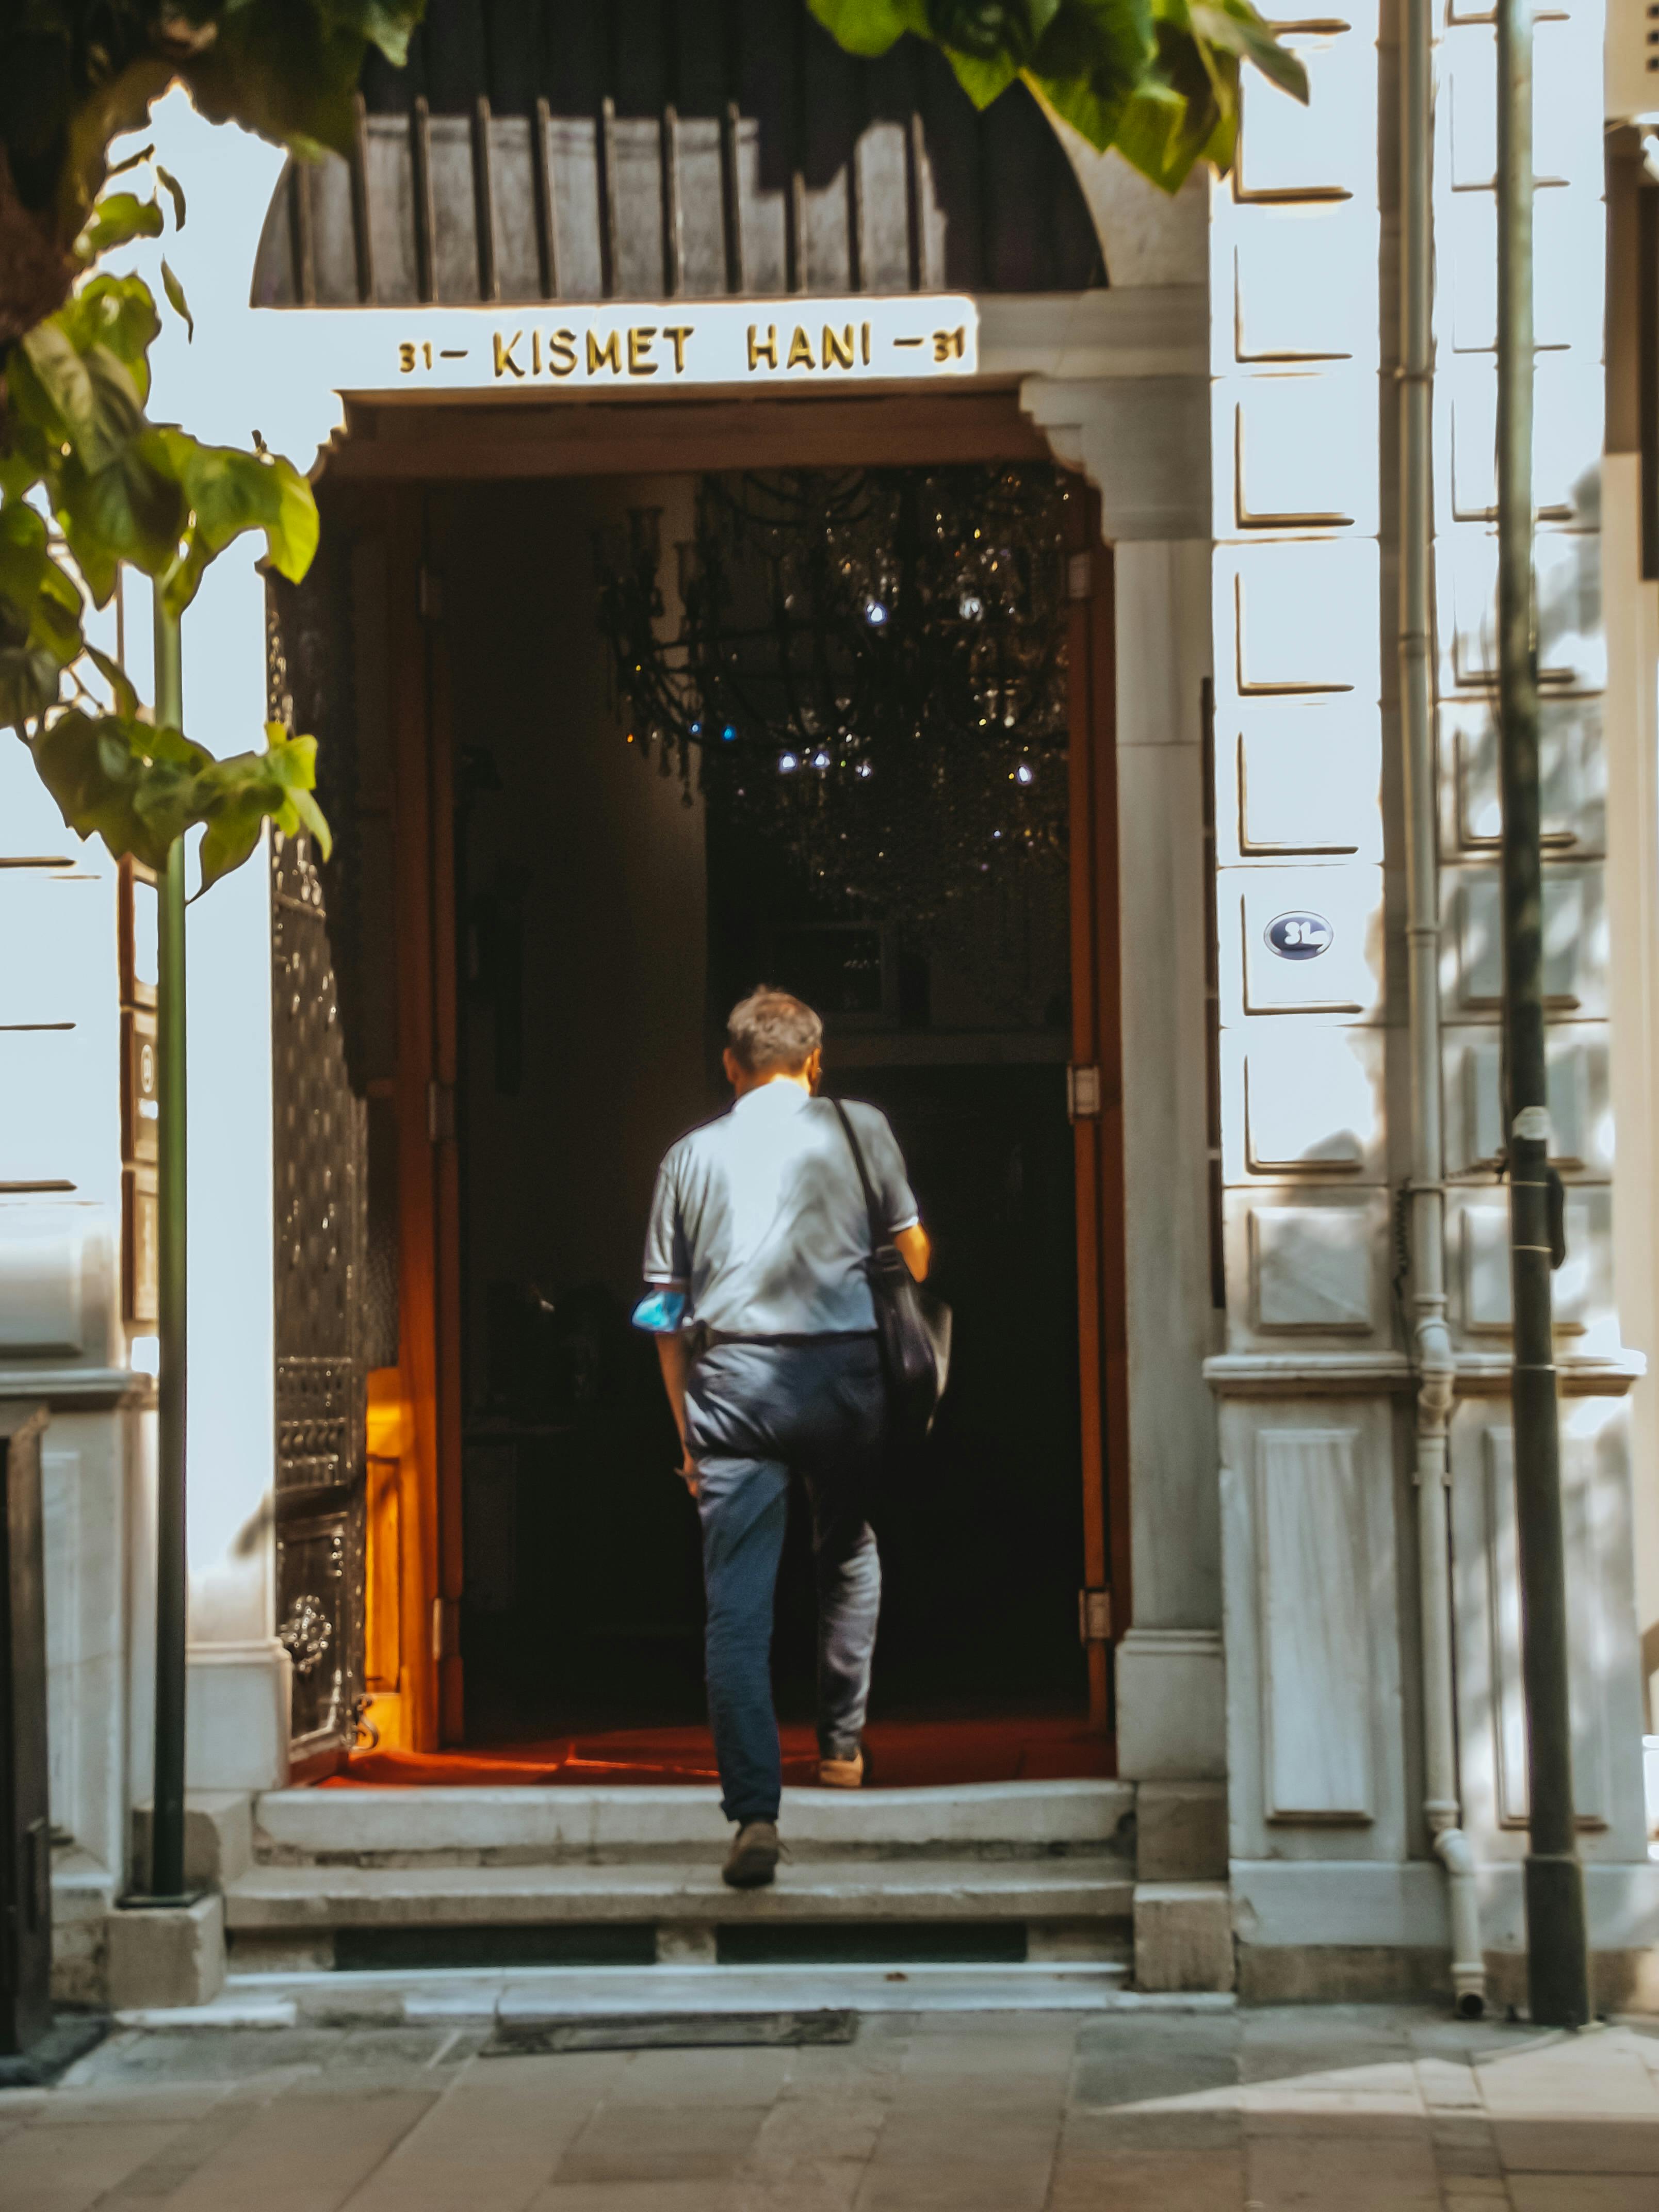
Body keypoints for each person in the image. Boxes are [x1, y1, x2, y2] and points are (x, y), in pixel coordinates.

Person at [638, 986, 931, 1889]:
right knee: (846, 1551)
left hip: (733, 1385)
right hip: (843, 1378)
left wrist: (688, 1430)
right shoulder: (862, 1128)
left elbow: (663, 1310)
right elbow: (916, 1256)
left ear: (729, 1066)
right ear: (817, 1059)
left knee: (737, 1603)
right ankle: (841, 1747)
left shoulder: (689, 1156)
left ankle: (756, 1814)